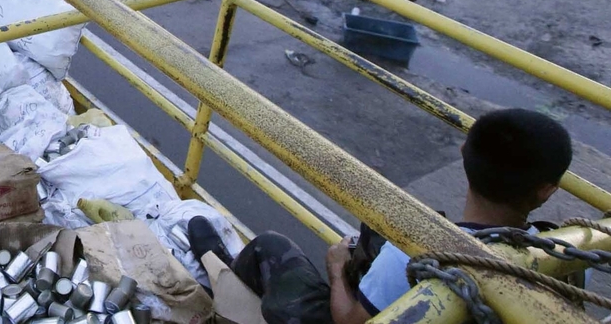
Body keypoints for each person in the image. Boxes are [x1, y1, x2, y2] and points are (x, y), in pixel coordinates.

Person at [184, 108, 574, 324]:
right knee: (374, 234)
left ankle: (221, 273)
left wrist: (337, 269)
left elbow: (351, 322)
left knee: (270, 248)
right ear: (547, 189)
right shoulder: (561, 255)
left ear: (463, 156)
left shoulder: (414, 253)